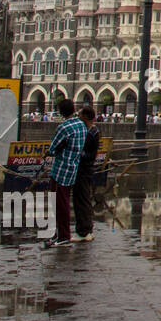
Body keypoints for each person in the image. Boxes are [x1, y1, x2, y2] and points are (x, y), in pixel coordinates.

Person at [43, 98, 87, 248]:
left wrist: (47, 153)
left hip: (61, 170)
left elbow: (52, 148)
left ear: (61, 112)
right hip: (73, 168)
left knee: (60, 204)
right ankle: (60, 233)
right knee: (63, 202)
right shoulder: (81, 125)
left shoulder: (64, 127)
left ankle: (63, 236)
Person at [74, 105, 99, 243]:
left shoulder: (90, 133)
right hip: (87, 170)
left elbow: (88, 154)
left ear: (85, 117)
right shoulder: (93, 131)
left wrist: (77, 153)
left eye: (80, 115)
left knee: (81, 200)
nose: (78, 117)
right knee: (85, 199)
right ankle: (87, 229)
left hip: (84, 170)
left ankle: (84, 232)